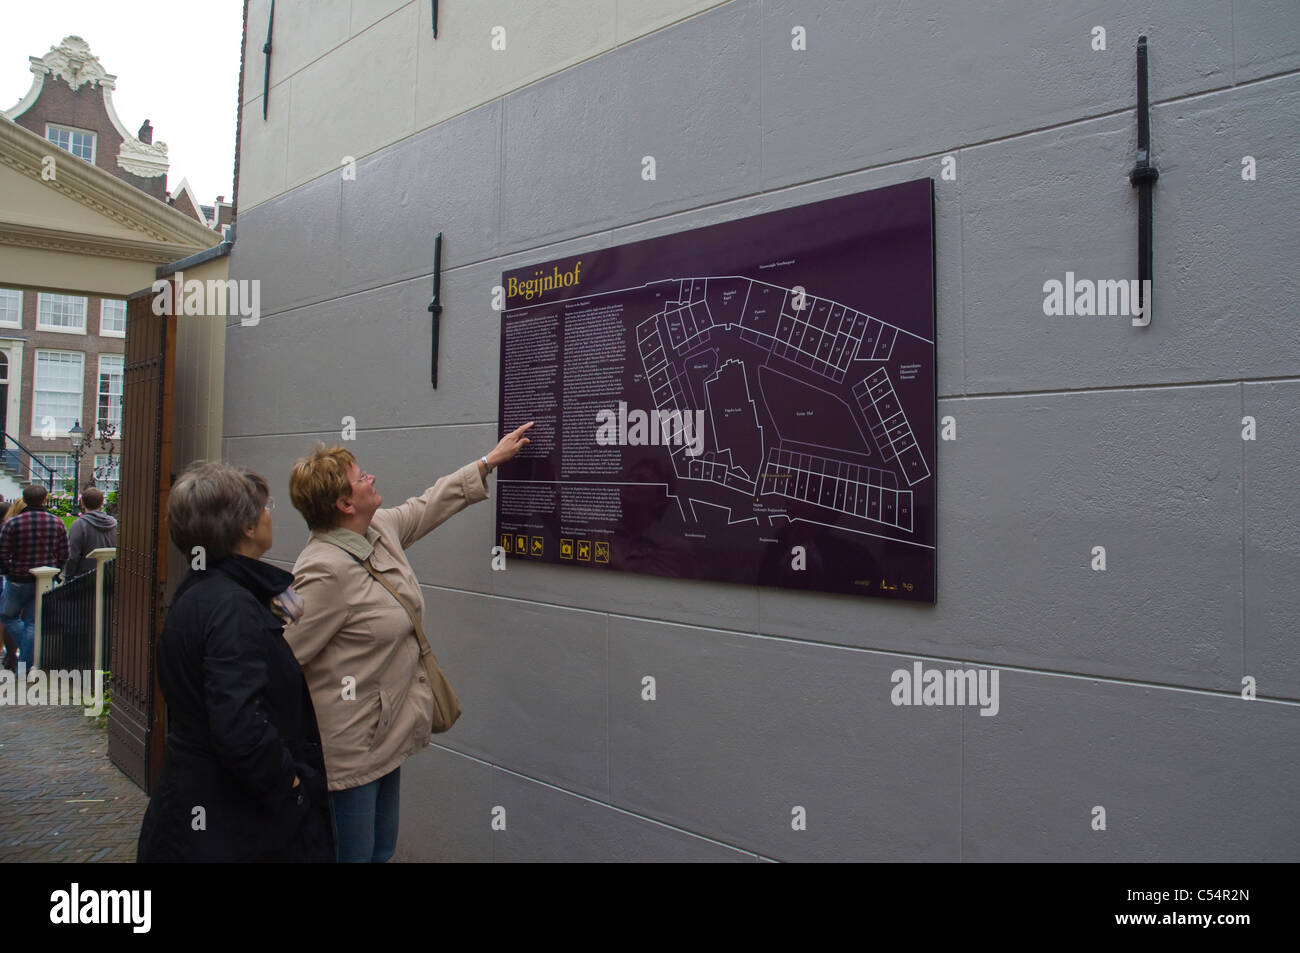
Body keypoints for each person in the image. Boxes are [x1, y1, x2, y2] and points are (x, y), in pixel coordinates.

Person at [286, 422, 533, 862]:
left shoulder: (378, 529)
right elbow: (283, 657)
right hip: (349, 750)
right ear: (344, 504)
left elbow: (427, 506)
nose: (371, 478)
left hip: (387, 735)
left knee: (381, 851)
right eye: (361, 479)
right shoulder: (323, 570)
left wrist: (487, 463)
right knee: (353, 857)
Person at [136, 462, 334, 862]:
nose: (268, 515)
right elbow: (241, 727)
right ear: (246, 527)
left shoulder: (199, 593)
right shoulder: (232, 607)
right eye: (264, 507)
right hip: (235, 826)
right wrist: (292, 785)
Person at [0, 485, 69, 671]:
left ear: (24, 499)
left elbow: (3, 553)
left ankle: (25, 655)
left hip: (18, 579)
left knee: (7, 616)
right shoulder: (57, 522)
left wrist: (9, 571)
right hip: (45, 579)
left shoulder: (13, 523)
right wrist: (57, 570)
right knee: (33, 622)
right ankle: (25, 666)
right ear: (45, 499)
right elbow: (64, 552)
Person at [64, 486, 118, 578]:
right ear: (102, 503)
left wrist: (68, 576)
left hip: (83, 580)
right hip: (109, 577)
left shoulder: (79, 525)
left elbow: (72, 556)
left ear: (82, 503)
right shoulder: (114, 524)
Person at [0, 498, 22, 673]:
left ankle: (10, 654)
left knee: (8, 616)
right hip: (23, 578)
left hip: (12, 578)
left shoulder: (11, 527)